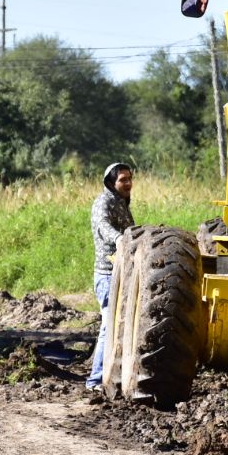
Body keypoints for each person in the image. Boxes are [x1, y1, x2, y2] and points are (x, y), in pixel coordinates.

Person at [87, 162, 135, 391]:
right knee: (108, 325)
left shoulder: (122, 203)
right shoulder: (103, 202)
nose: (128, 184)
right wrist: (118, 239)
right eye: (123, 180)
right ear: (111, 183)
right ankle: (95, 380)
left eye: (129, 179)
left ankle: (112, 375)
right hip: (107, 274)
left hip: (121, 272)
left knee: (118, 326)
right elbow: (102, 226)